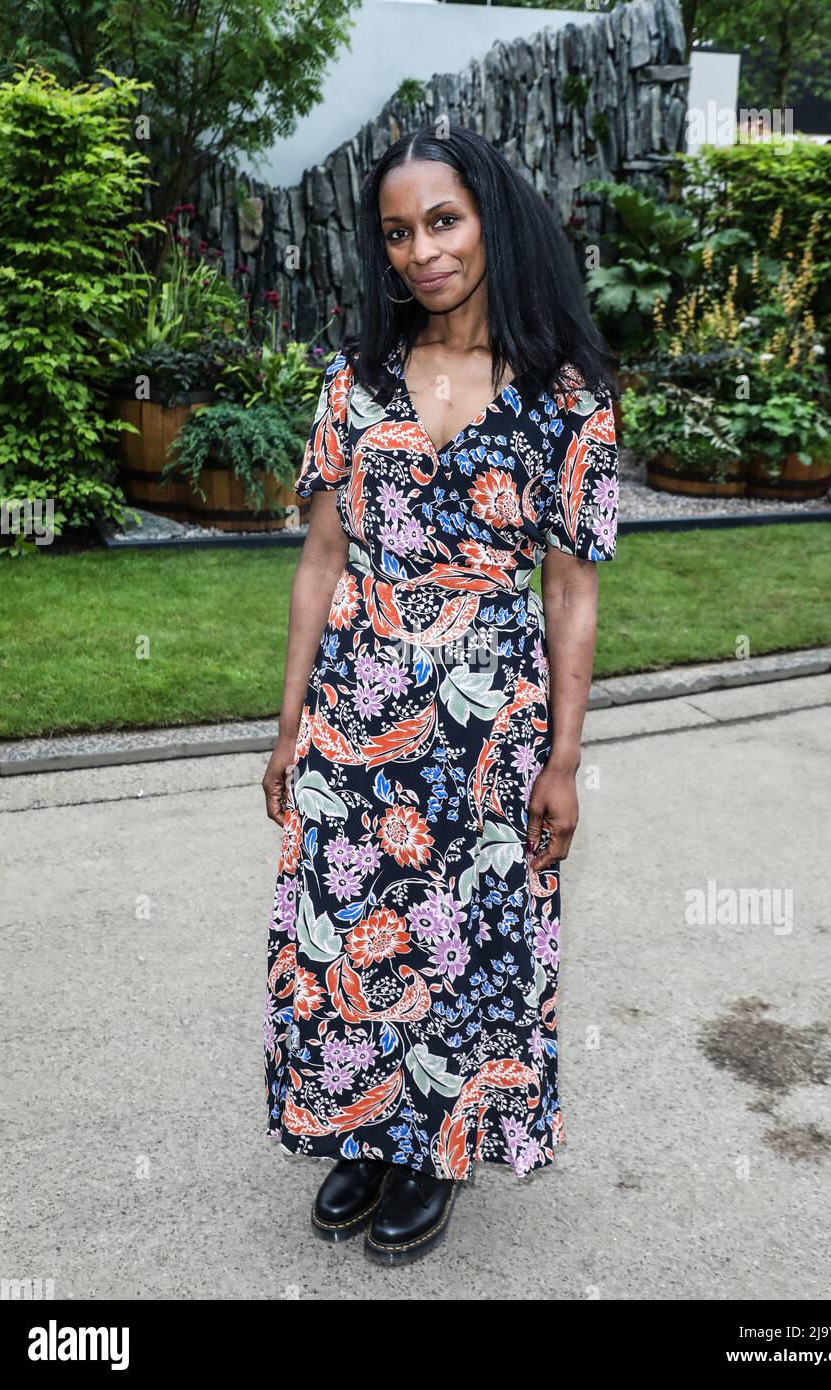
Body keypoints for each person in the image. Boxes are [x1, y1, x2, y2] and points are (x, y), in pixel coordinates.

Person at [262, 124, 619, 1265]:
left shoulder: (568, 396)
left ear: (491, 218)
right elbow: (321, 558)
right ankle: (360, 1130)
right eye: (398, 232)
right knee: (352, 929)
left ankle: (432, 1149)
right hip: (356, 708)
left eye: (443, 220)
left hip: (489, 722)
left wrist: (562, 759)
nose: (422, 250)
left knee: (461, 935)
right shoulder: (354, 384)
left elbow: (570, 592)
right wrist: (288, 728)